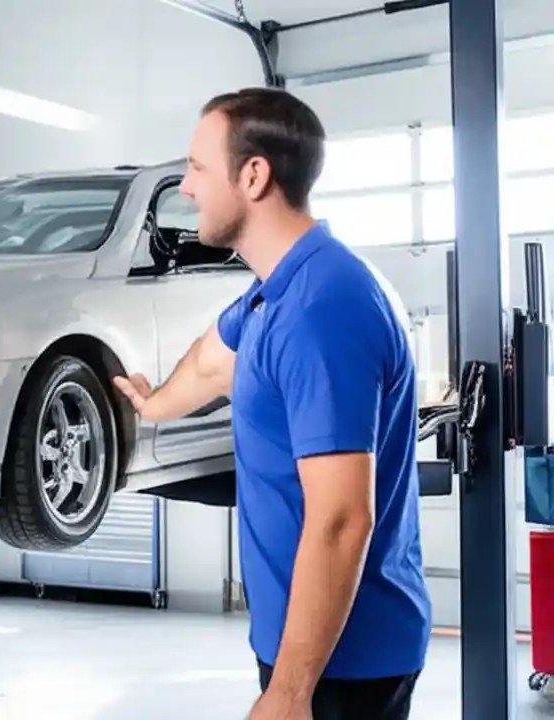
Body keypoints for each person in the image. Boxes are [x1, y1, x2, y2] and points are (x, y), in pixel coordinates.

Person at [114, 88, 431, 720]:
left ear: (253, 175)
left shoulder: (323, 308)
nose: (187, 189)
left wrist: (289, 692)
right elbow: (211, 361)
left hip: (343, 663)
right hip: (306, 649)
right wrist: (154, 407)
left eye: (198, 168)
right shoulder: (273, 294)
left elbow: (344, 519)